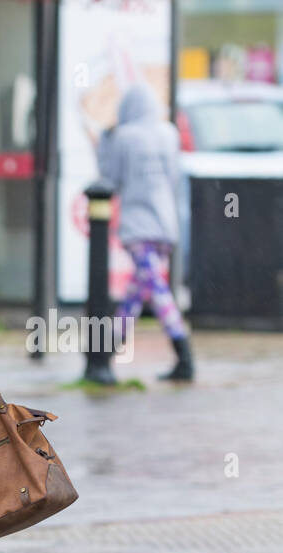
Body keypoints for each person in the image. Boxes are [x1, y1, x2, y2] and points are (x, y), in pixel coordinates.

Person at [97, 83, 193, 381]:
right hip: (165, 225)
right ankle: (105, 356)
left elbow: (109, 178)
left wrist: (105, 140)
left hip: (138, 226)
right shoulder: (169, 133)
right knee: (136, 295)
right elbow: (175, 178)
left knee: (159, 294)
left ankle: (185, 355)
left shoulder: (124, 136)